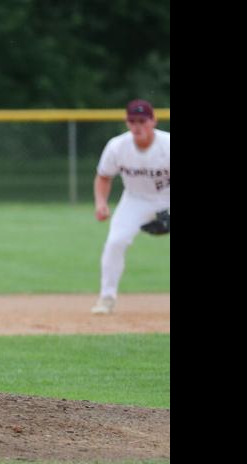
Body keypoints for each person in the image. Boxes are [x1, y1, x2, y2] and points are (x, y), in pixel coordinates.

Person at [91, 99, 171, 315]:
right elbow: (104, 176)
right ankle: (107, 298)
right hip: (135, 200)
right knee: (115, 242)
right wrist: (101, 203)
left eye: (142, 121)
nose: (137, 126)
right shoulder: (117, 146)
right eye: (132, 121)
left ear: (153, 121)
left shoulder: (168, 145)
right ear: (127, 122)